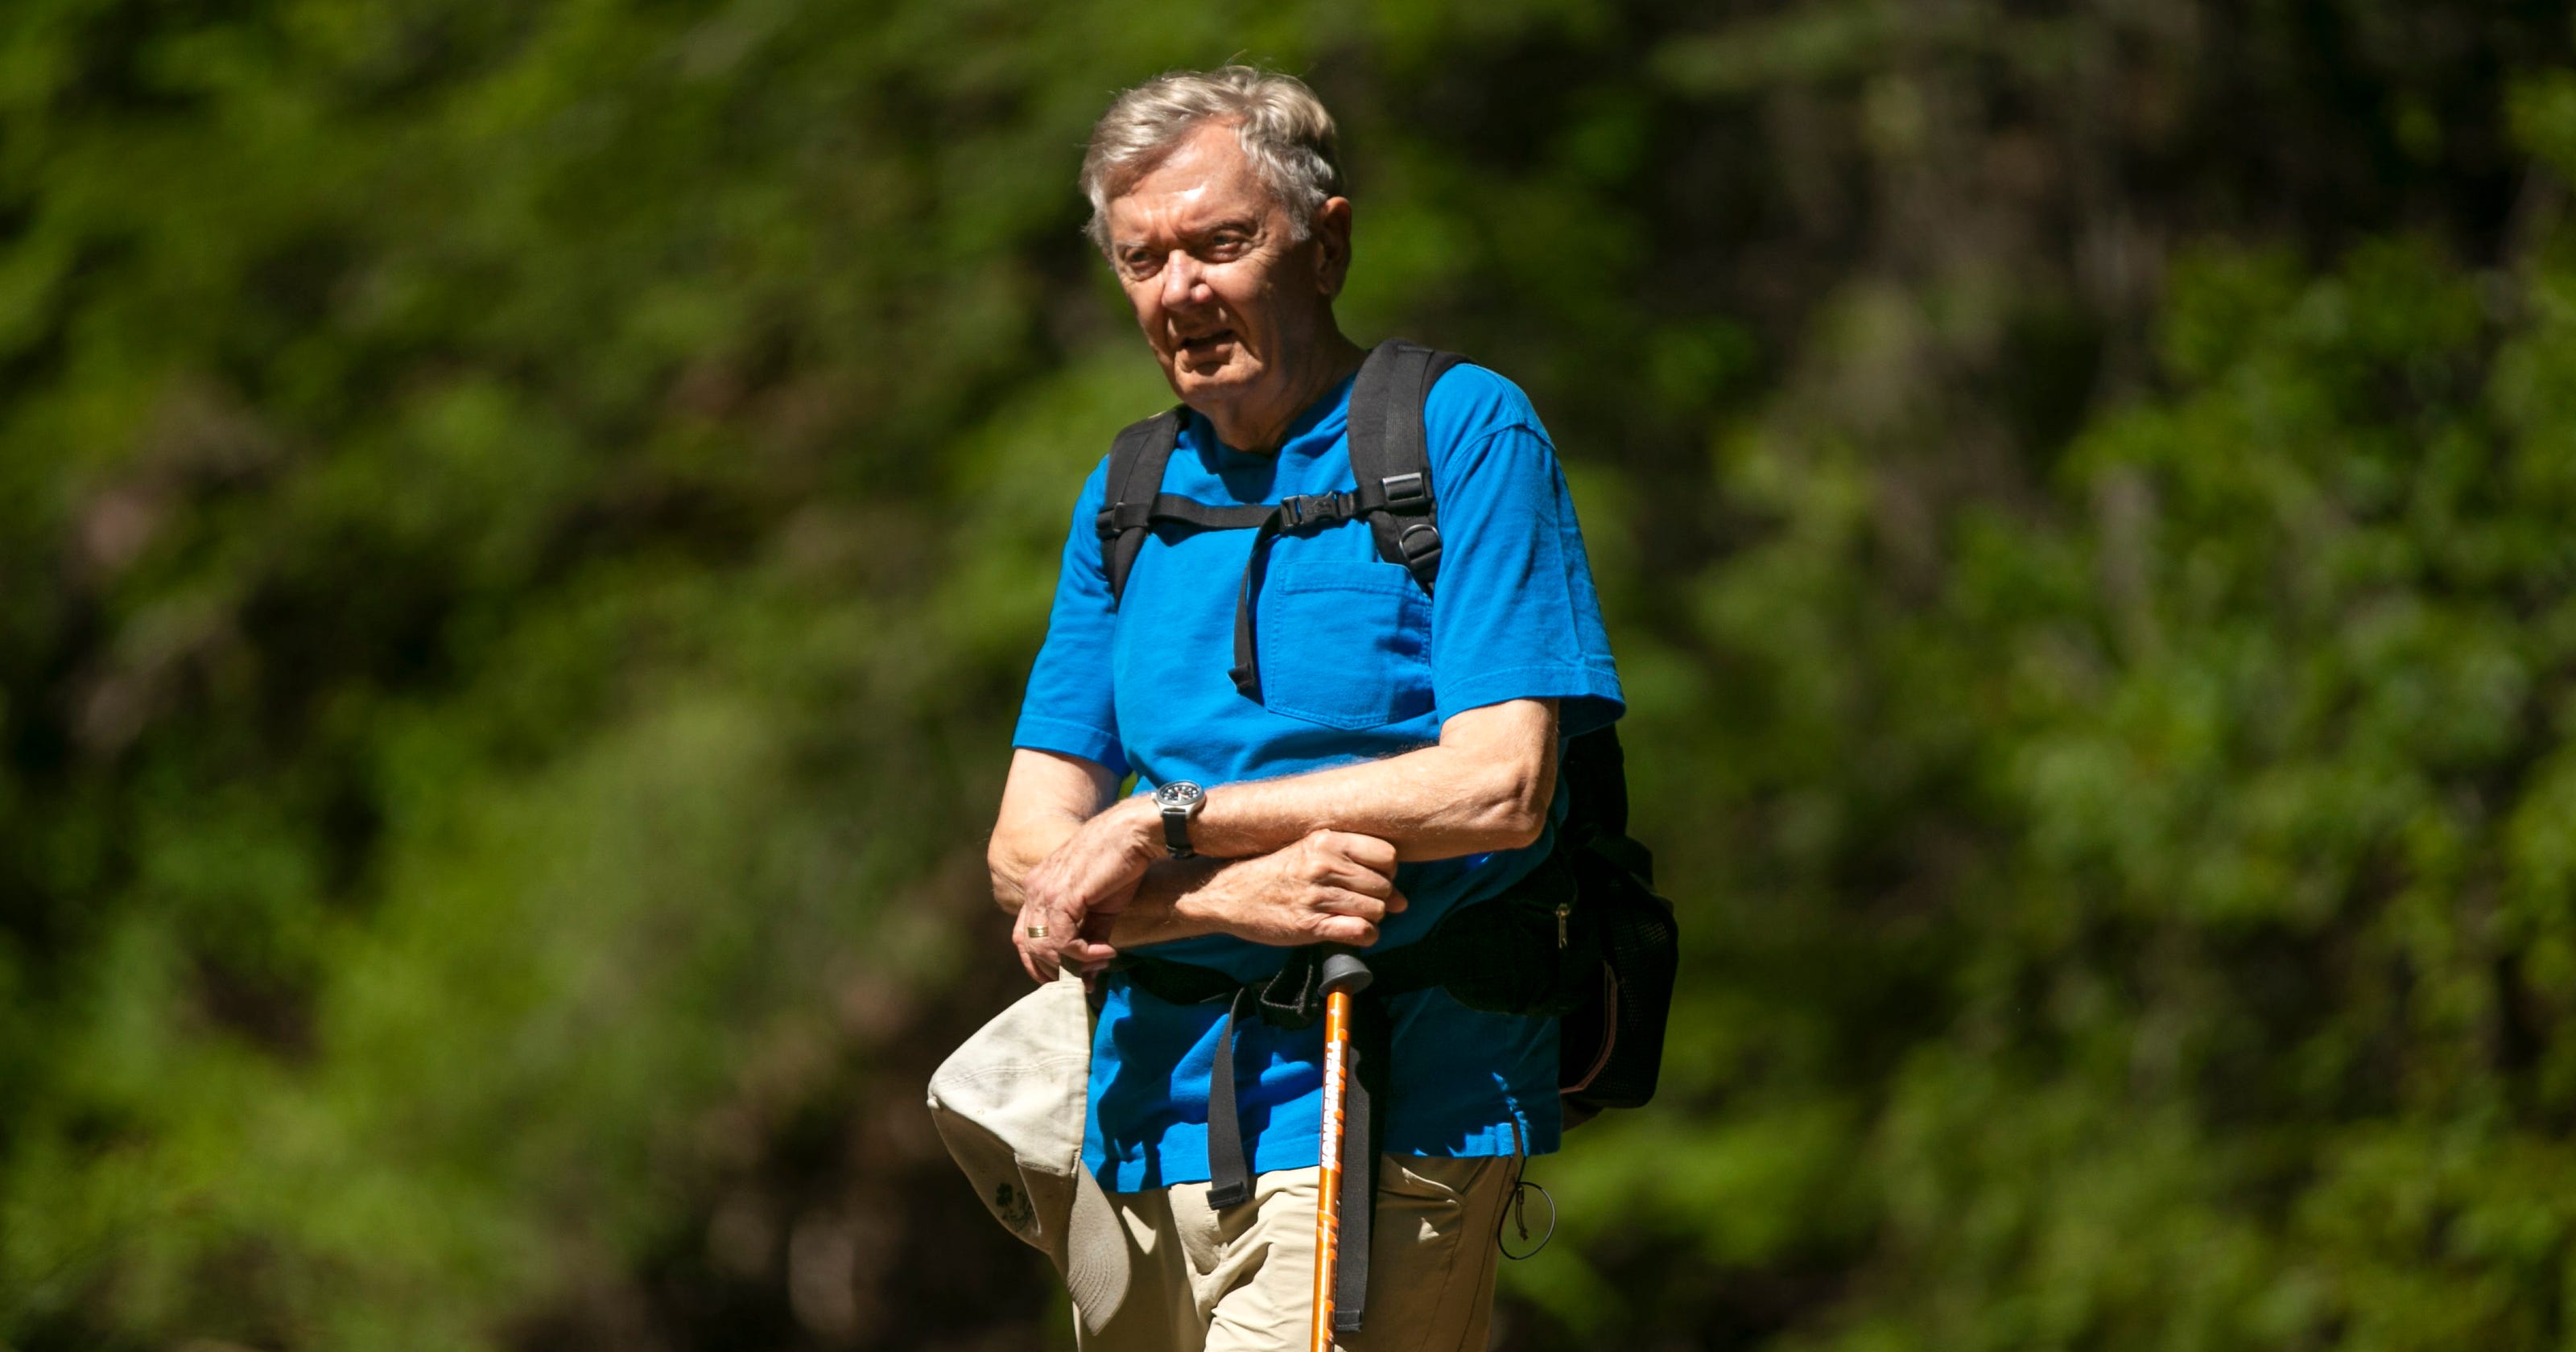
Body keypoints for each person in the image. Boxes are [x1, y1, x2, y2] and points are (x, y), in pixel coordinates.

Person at [986, 65, 1623, 1352]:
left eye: (1221, 244)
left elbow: (1501, 785)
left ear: (1325, 246)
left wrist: (1163, 822)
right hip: (1136, 1127)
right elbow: (1024, 854)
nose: (1180, 289)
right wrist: (1223, 897)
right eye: (1143, 260)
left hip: (1380, 1100)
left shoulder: (1461, 432)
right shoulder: (1127, 494)